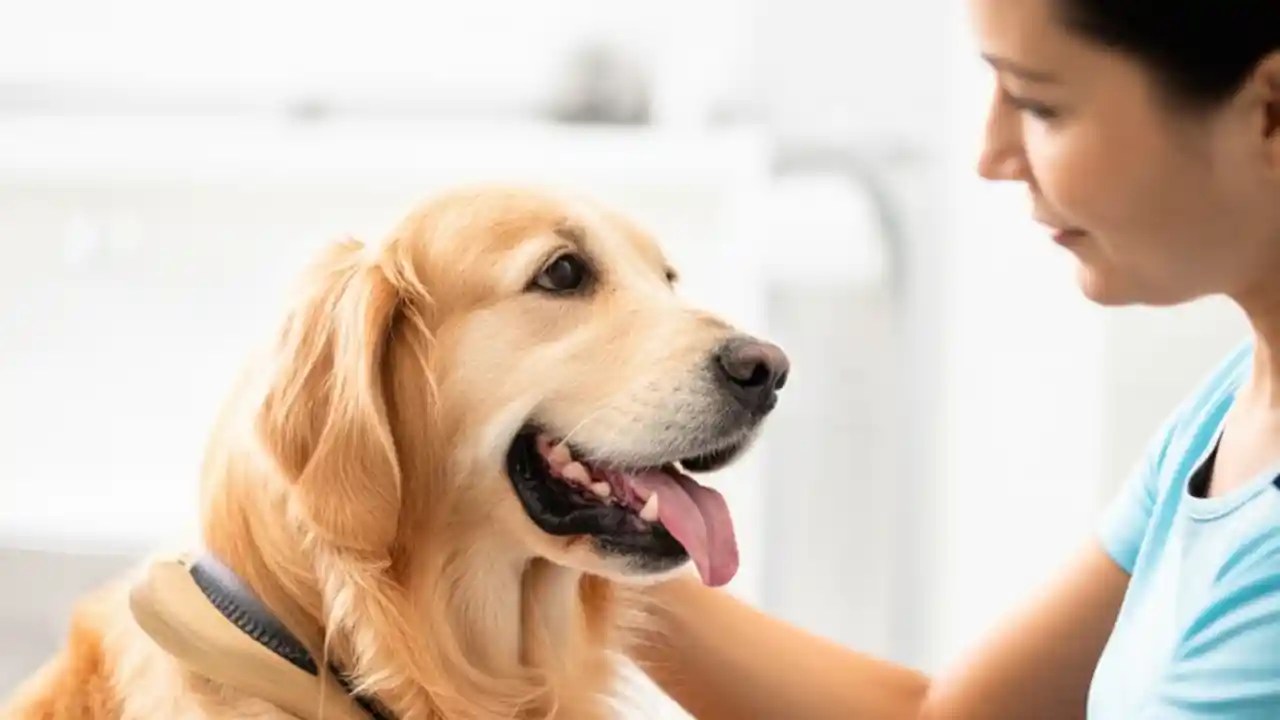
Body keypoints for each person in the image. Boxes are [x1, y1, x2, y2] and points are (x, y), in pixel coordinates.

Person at [633, 1, 1280, 718]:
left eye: (1039, 105)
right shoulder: (1226, 415)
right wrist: (592, 545)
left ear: (1271, 113)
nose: (992, 155)